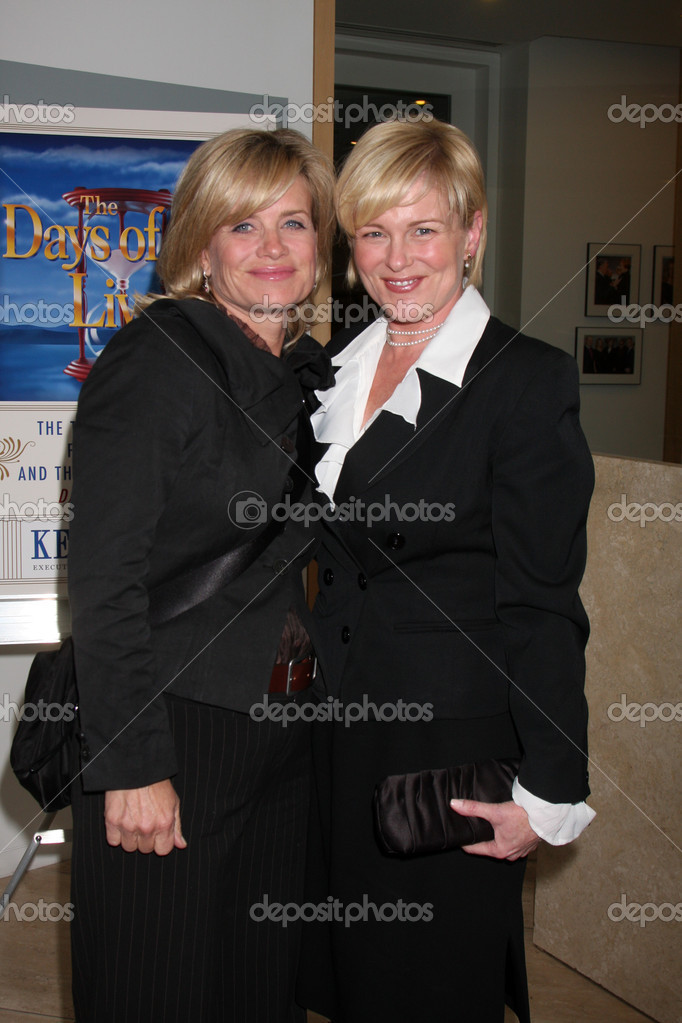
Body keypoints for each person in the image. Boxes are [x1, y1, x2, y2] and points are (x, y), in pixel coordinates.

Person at [302, 118, 595, 1023]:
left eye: (423, 229)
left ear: (470, 233)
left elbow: (544, 601)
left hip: (442, 761)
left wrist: (551, 785)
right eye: (374, 232)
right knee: (348, 985)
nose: (397, 258)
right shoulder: (332, 371)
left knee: (427, 987)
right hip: (331, 735)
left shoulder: (525, 382)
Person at [68, 127, 334, 1023]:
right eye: (242, 224)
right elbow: (103, 583)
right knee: (159, 984)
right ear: (201, 248)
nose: (270, 248)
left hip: (279, 729)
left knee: (256, 985)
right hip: (174, 729)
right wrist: (134, 764)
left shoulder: (301, 374)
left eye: (293, 222)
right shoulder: (158, 362)